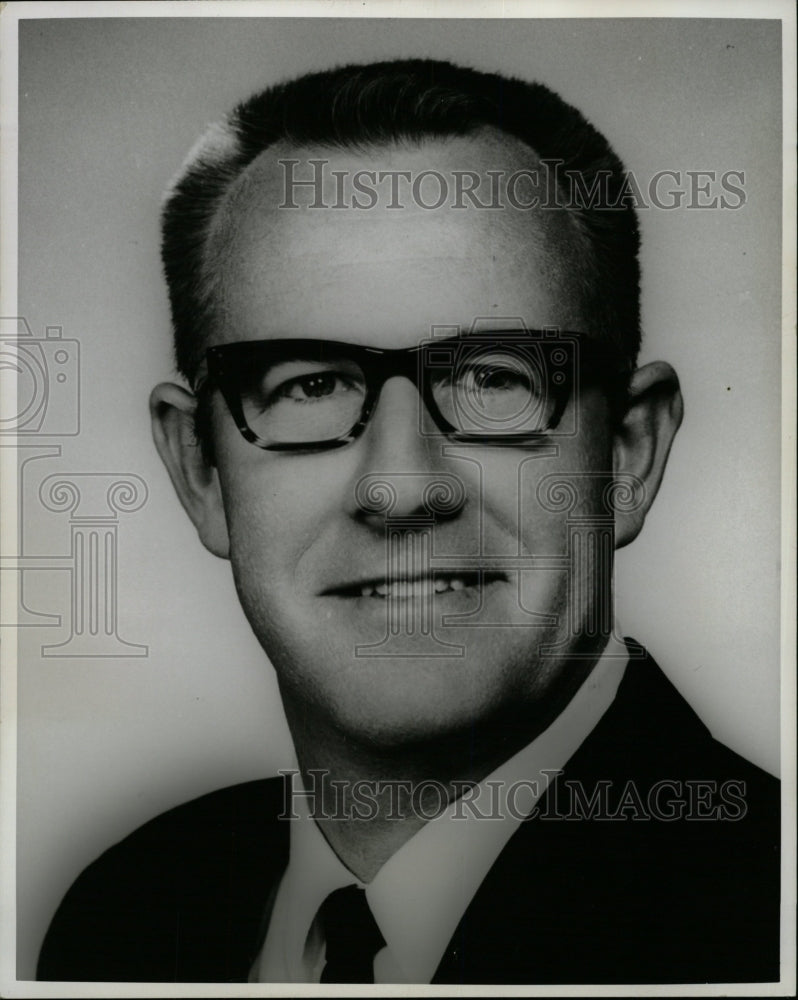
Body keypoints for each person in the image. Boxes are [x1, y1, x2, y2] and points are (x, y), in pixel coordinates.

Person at [37, 59, 780, 985]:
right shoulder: (127, 917)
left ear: (627, 455)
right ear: (201, 469)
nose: (399, 488)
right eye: (308, 383)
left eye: (493, 379)